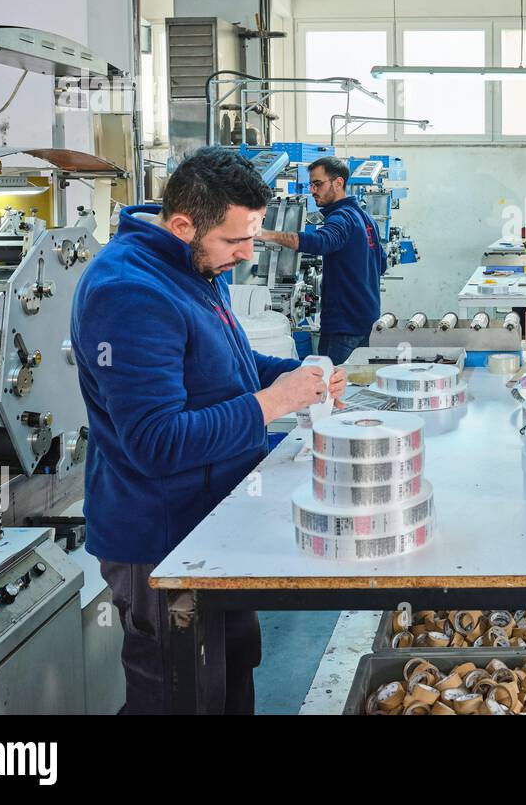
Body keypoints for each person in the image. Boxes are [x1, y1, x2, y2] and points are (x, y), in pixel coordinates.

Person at [71, 147, 346, 714]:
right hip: (161, 542)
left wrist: (300, 376)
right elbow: (156, 441)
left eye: (253, 237)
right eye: (235, 242)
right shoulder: (129, 293)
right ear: (182, 225)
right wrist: (272, 403)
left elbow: (231, 366)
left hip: (214, 523)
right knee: (178, 694)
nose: (246, 255)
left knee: (232, 670)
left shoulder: (194, 262)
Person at [257, 155, 387, 364]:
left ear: (338, 183)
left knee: (329, 386)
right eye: (311, 184)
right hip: (367, 319)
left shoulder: (342, 217)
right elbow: (381, 264)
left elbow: (321, 242)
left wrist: (267, 234)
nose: (312, 190)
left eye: (318, 184)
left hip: (343, 325)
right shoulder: (365, 218)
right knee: (354, 383)